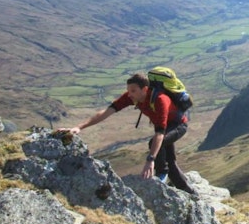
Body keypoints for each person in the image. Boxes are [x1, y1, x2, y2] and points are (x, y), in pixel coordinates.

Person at [62, 73, 196, 194]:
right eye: (128, 90)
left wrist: (150, 160)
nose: (129, 94)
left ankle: (162, 174)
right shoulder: (132, 97)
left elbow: (160, 133)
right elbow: (106, 112)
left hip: (178, 125)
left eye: (133, 91)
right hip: (164, 128)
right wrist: (79, 127)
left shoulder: (160, 99)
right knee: (170, 160)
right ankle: (188, 192)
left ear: (144, 89)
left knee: (156, 146)